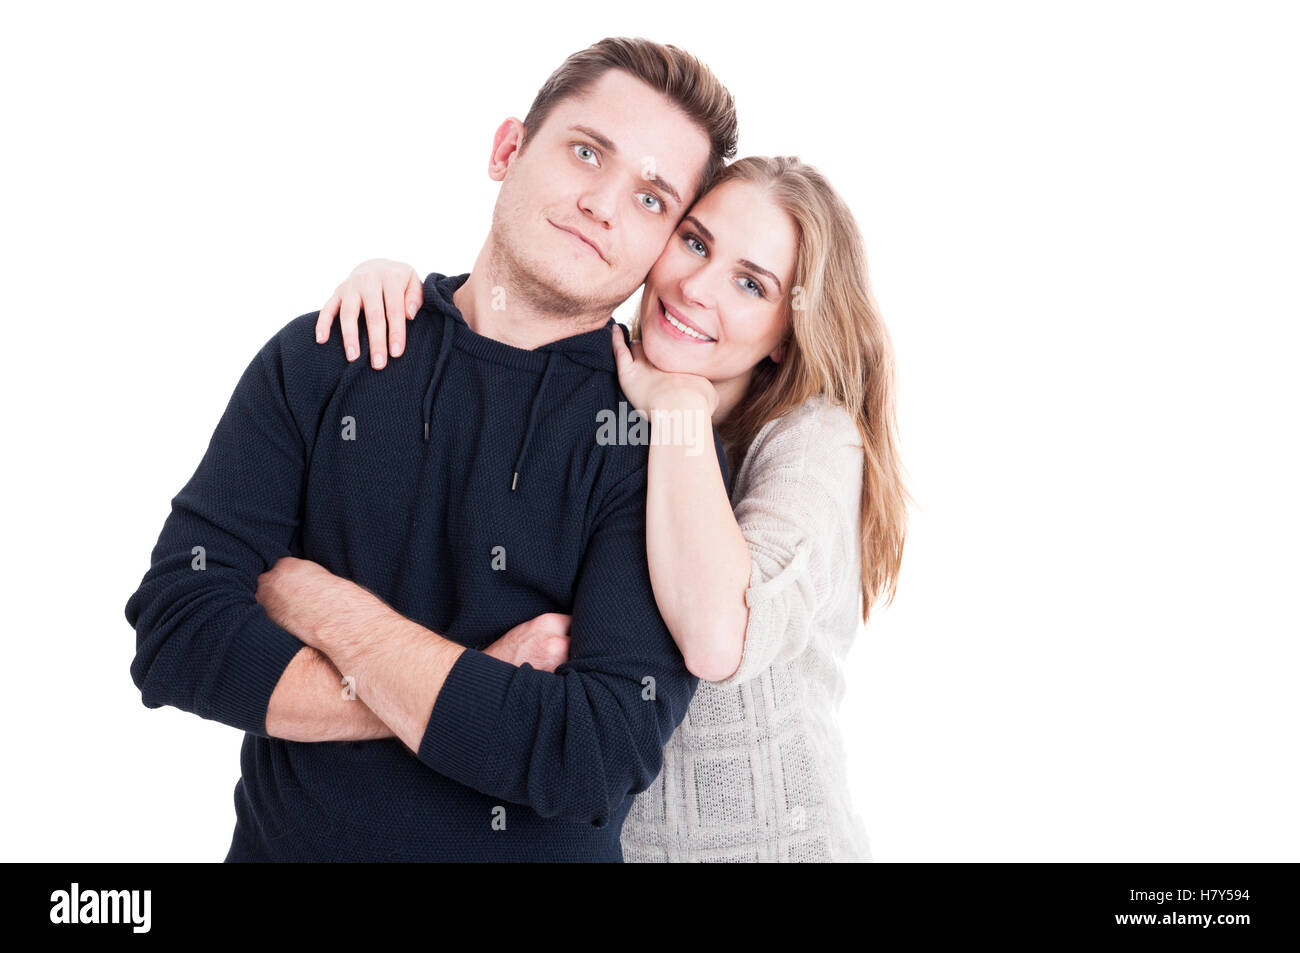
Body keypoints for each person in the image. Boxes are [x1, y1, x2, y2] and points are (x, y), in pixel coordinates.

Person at [123, 37, 740, 862]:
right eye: (586, 152)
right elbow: (176, 635)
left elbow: (592, 758)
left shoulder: (654, 449)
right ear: (508, 148)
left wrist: (319, 607)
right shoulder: (326, 352)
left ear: (663, 243)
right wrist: (479, 680)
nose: (602, 204)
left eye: (651, 199)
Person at [313, 154, 912, 861]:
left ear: (787, 331)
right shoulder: (600, 393)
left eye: (751, 284)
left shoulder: (811, 440)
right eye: (694, 242)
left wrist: (682, 411)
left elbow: (721, 639)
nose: (695, 286)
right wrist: (404, 298)